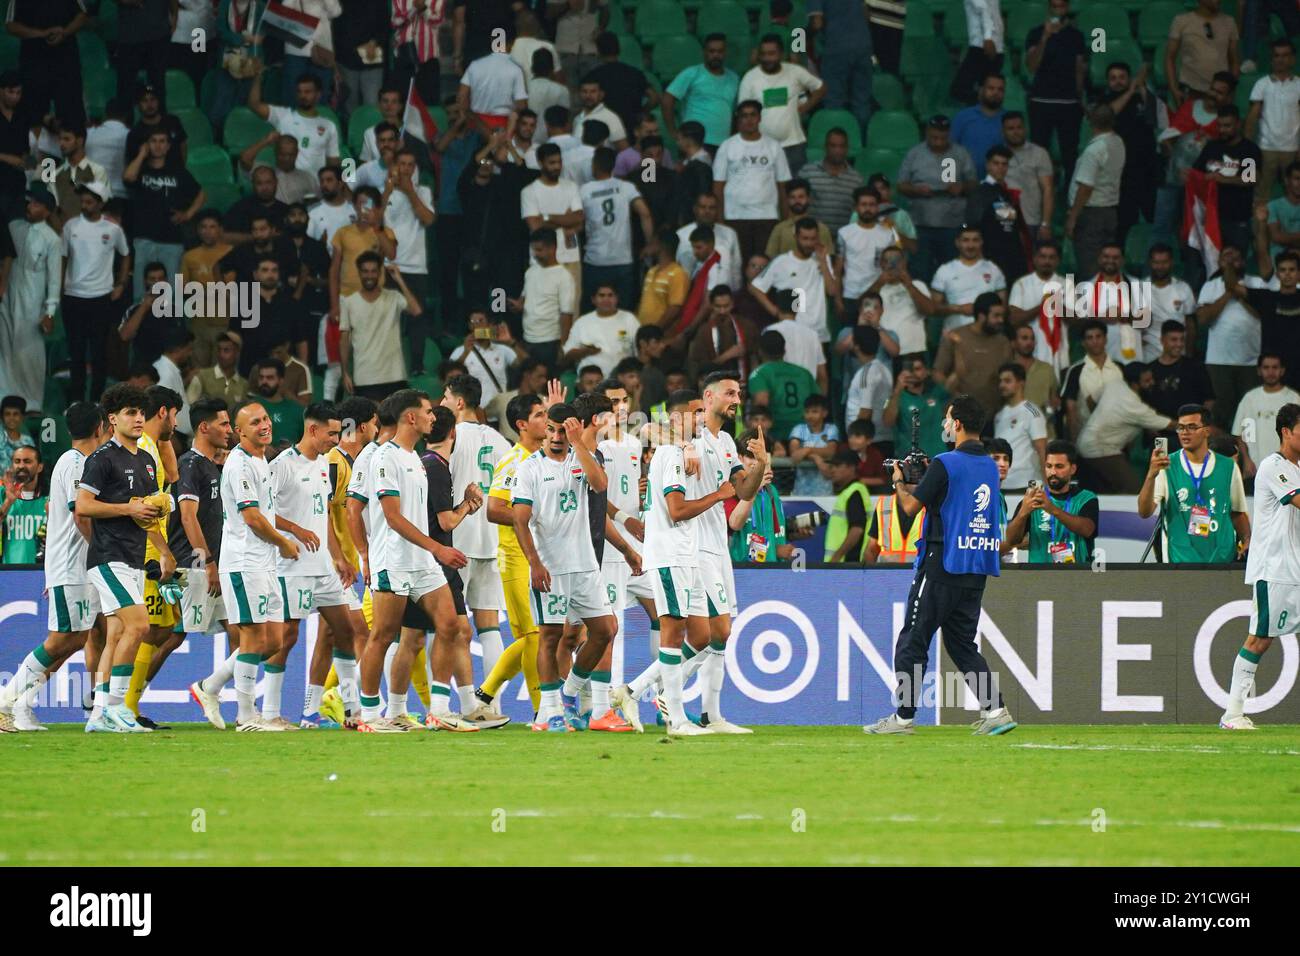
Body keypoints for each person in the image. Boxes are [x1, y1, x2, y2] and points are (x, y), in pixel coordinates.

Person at [865, 393, 1017, 735]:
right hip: (976, 565)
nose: (946, 425)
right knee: (962, 643)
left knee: (912, 640)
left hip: (940, 564)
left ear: (958, 424)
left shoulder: (946, 463)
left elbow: (908, 508)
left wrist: (900, 480)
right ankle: (997, 712)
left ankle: (902, 718)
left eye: (948, 419)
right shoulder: (989, 467)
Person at [608, 391, 728, 736]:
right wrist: (718, 496)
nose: (703, 418)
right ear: (677, 420)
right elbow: (676, 511)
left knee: (701, 633)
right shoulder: (672, 455)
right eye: (696, 413)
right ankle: (677, 719)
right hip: (670, 554)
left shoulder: (677, 451)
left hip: (684, 553)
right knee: (673, 632)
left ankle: (630, 691)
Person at [511, 400, 617, 732]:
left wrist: (579, 444)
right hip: (551, 567)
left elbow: (600, 485)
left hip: (585, 565)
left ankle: (568, 694)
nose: (557, 436)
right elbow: (519, 520)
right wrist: (535, 563)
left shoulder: (580, 458)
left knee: (605, 630)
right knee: (550, 636)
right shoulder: (529, 468)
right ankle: (551, 711)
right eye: (553, 429)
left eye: (563, 430)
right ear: (544, 430)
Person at [0, 403, 105, 731]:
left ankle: (22, 706)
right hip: (70, 565)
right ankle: (6, 700)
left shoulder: (80, 462)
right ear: (100, 427)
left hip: (77, 566)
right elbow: (81, 514)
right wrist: (102, 552)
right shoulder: (75, 463)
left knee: (76, 638)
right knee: (61, 638)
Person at [75, 385, 167, 734]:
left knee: (116, 633)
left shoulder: (144, 459)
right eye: (130, 412)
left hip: (133, 558)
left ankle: (98, 714)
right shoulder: (102, 458)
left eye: (141, 412)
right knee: (140, 626)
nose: (138, 418)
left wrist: (155, 512)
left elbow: (143, 511)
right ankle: (117, 707)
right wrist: (126, 508)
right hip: (108, 556)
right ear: (112, 419)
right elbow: (83, 506)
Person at [1219, 402, 1300, 729]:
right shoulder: (1273, 466)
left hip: (1296, 568)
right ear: (1286, 432)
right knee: (1260, 639)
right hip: (1276, 570)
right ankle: (1233, 713)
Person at [472, 392, 550, 720]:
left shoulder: (547, 459)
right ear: (522, 425)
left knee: (540, 633)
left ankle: (485, 693)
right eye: (540, 415)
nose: (547, 420)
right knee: (533, 634)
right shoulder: (513, 461)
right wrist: (536, 517)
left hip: (543, 556)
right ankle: (541, 710)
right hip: (515, 557)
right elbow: (494, 509)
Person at [1139, 403, 1250, 562]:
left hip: (1223, 561)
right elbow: (1144, 512)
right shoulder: (1166, 466)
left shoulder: (1228, 466)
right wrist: (1150, 476)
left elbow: (1238, 513)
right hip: (1180, 563)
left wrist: (1247, 540)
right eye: (1181, 428)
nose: (1185, 433)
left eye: (1191, 427)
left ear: (1207, 431)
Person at [62, 183, 131, 404]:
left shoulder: (112, 229)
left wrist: (120, 283)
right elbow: (63, 258)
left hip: (100, 298)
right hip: (73, 296)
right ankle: (76, 401)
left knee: (99, 353)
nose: (85, 205)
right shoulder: (70, 226)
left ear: (101, 203)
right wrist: (61, 287)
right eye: (82, 201)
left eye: (90, 202)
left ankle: (97, 401)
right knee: (77, 353)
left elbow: (126, 254)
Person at [1197, 242, 1275, 430]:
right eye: (1227, 258)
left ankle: (1247, 454)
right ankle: (1216, 453)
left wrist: (1238, 290)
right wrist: (1229, 291)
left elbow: (1263, 314)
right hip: (1218, 361)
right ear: (1220, 262)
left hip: (1251, 361)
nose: (1231, 263)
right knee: (1220, 412)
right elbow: (1203, 318)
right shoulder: (1211, 286)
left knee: (1250, 413)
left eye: (1235, 259)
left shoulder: (1256, 283)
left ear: (1243, 261)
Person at [0, 189, 60, 412]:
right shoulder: (14, 227)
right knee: (5, 345)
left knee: (29, 349)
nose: (29, 207)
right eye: (30, 203)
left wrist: (50, 311)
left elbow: (54, 279)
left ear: (46, 211)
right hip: (9, 291)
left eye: (36, 205)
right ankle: (5, 397)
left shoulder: (52, 239)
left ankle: (32, 402)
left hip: (33, 299)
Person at [897, 117, 977, 282]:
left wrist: (961, 188)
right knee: (920, 271)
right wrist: (915, 190)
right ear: (927, 133)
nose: (939, 142)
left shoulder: (960, 153)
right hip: (921, 224)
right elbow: (901, 185)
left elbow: (974, 184)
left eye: (942, 138)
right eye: (934, 138)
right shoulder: (915, 153)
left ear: (948, 135)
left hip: (952, 225)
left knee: (952, 273)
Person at [713, 101, 792, 265]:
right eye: (744, 116)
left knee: (765, 266)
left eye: (753, 115)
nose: (749, 120)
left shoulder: (774, 147)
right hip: (734, 217)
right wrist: (720, 221)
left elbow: (783, 186)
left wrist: (785, 220)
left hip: (767, 217)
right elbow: (718, 187)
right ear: (738, 120)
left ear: (759, 118)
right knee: (738, 266)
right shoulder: (727, 147)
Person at [1077, 363, 1175, 493]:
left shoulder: (1115, 384)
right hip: (1100, 449)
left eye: (1151, 378)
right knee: (1133, 489)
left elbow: (1091, 399)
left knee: (1108, 491)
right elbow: (1170, 425)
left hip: (1088, 443)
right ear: (1135, 384)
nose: (1152, 383)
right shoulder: (1133, 405)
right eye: (1147, 381)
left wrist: (1099, 420)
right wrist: (1195, 426)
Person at [739, 34, 825, 174]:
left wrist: (805, 107)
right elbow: (743, 114)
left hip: (794, 145)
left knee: (795, 191)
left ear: (781, 54)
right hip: (761, 146)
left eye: (772, 53)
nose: (767, 58)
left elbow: (821, 87)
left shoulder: (795, 71)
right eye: (764, 54)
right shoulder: (750, 78)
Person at [338, 253, 419, 401]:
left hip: (395, 375)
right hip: (365, 377)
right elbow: (344, 340)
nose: (369, 275)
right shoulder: (348, 302)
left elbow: (416, 310)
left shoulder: (393, 297)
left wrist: (399, 280)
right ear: (359, 273)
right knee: (369, 424)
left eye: (373, 271)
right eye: (365, 271)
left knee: (398, 423)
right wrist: (345, 373)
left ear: (379, 273)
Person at [1002, 439, 1098, 563]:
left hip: (1078, 576)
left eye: (1059, 466)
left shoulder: (1086, 498)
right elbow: (1011, 541)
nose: (1053, 472)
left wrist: (1052, 509)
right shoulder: (1032, 499)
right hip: (1040, 577)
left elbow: (1087, 530)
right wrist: (1023, 513)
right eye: (1049, 466)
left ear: (1073, 469)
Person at [580, 146, 652, 308]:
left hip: (595, 259)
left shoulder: (585, 190)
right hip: (623, 260)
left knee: (594, 311)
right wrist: (649, 244)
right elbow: (645, 213)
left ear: (594, 165)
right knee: (623, 310)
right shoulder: (626, 187)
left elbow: (578, 221)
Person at [1023, 0, 1087, 183]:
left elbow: (1079, 69)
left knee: (1070, 155)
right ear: (1049, 8)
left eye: (1062, 5)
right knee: (1038, 154)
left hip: (1069, 104)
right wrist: (1045, 37)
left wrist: (1080, 97)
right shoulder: (1035, 33)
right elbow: (1032, 66)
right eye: (1054, 5)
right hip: (1041, 102)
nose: (1058, 9)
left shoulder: (1076, 36)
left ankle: (1069, 197)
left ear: (1067, 8)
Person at [749, 218, 838, 347]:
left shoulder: (823, 259)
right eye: (805, 238)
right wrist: (775, 311)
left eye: (813, 239)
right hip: (792, 332)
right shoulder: (781, 262)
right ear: (795, 237)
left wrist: (823, 262)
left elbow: (832, 291)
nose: (809, 243)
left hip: (819, 333)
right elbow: (756, 288)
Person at [1193, 105, 1264, 257]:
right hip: (1211, 217)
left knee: (1236, 265)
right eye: (1219, 125)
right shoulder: (1212, 147)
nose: (1222, 130)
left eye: (1227, 126)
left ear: (1238, 124)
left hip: (1237, 220)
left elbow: (1251, 179)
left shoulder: (1248, 149)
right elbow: (1197, 173)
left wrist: (1222, 179)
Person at [1065, 104, 1125, 278]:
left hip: (1091, 215)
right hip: (1109, 212)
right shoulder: (1118, 142)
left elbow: (1086, 187)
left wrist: (1073, 218)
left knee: (1089, 267)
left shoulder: (1094, 150)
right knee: (1108, 268)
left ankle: (1091, 304)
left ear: (1090, 121)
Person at [7, 0, 87, 129]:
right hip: (33, 62)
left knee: (71, 114)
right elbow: (11, 25)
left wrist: (64, 33)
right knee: (33, 114)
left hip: (66, 61)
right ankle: (33, 147)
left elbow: (82, 15)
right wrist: (42, 34)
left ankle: (71, 144)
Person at [248, 67, 340, 176]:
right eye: (299, 91)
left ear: (318, 95)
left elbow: (333, 163)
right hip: (286, 185)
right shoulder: (283, 116)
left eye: (307, 92)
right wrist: (258, 77)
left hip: (316, 187)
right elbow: (254, 104)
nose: (303, 96)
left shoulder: (329, 126)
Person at [934, 291, 1013, 415]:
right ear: (981, 316)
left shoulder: (1003, 342)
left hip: (992, 417)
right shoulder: (956, 336)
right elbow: (938, 373)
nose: (1001, 320)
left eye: (1002, 315)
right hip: (959, 417)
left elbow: (1010, 377)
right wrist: (953, 394)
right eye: (996, 316)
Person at [511, 229, 576, 368]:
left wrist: (563, 346)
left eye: (539, 250)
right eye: (533, 250)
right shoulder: (531, 271)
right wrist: (518, 305)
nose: (535, 254)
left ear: (552, 248)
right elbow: (524, 298)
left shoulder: (564, 277)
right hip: (528, 339)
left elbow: (566, 315)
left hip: (549, 342)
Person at [662, 34, 740, 151]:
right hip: (693, 142)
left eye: (720, 51)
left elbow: (736, 112)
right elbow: (667, 100)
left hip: (724, 144)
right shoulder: (692, 73)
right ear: (704, 52)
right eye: (711, 51)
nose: (716, 55)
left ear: (725, 53)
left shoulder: (734, 78)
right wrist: (673, 132)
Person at [807, 0, 874, 136]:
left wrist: (802, 35)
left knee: (833, 101)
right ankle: (861, 142)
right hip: (863, 45)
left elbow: (817, 23)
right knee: (862, 101)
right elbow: (866, 14)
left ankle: (836, 143)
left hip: (836, 46)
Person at [966, 145, 1030, 284]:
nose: (1000, 168)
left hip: (1011, 255)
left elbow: (1009, 226)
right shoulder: (980, 192)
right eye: (996, 163)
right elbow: (973, 226)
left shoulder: (1004, 193)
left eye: (1004, 164)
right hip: (991, 256)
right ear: (988, 165)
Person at [930, 227, 1007, 336]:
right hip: (955, 335)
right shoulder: (944, 270)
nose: (970, 245)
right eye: (965, 240)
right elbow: (933, 308)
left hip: (988, 336)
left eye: (975, 240)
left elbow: (1003, 306)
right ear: (957, 243)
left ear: (981, 242)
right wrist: (959, 309)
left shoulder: (993, 269)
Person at [1250, 40, 1300, 204]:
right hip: (1266, 148)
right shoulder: (1262, 84)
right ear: (1271, 59)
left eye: (1285, 55)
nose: (1280, 59)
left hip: (1292, 149)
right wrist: (1249, 148)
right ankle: (1259, 230)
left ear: (1293, 59)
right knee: (1260, 195)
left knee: (1294, 196)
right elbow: (1252, 118)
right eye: (1277, 55)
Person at [1234, 353, 1300, 477]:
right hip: (1256, 469)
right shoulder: (1250, 398)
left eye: (1275, 367)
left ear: (1282, 370)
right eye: (1266, 367)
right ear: (1259, 370)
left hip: (1288, 469)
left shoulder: (1294, 398)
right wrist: (1247, 460)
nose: (1270, 372)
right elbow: (1240, 434)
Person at [1166, 0, 1240, 108]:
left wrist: (1231, 92)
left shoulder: (1230, 22)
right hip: (1190, 92)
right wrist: (1173, 89)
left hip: (1219, 96)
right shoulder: (1181, 21)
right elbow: (1169, 58)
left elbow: (1234, 61)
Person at [1060, 319, 1123, 439]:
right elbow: (1071, 409)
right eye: (1090, 338)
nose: (1095, 341)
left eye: (1098, 336)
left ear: (1105, 339)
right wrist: (1075, 445)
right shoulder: (1075, 371)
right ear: (1083, 342)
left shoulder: (1119, 368)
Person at [799, 128, 865, 234]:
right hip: (812, 239)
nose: (837, 150)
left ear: (847, 148)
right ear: (825, 147)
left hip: (844, 239)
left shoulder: (856, 179)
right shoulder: (807, 172)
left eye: (842, 146)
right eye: (833, 146)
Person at [993, 363, 1048, 491]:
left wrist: (1047, 487)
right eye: (1000, 381)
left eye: (1007, 381)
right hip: (1003, 484)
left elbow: (1042, 450)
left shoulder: (1033, 412)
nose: (1002, 385)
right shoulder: (999, 415)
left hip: (1026, 483)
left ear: (1021, 383)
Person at [1148, 321, 1216, 420]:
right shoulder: (1150, 369)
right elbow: (1145, 403)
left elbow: (1209, 399)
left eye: (1182, 339)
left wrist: (1200, 422)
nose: (1179, 344)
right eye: (1174, 340)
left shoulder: (1196, 367)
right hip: (1160, 429)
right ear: (1162, 340)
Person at [1003, 112, 1054, 242]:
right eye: (1011, 128)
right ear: (1003, 131)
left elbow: (1048, 189)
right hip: (1005, 220)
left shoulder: (1039, 153)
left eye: (1019, 127)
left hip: (1032, 221)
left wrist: (1045, 223)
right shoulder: (998, 154)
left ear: (1025, 129)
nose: (1016, 132)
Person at [951, 74, 1007, 180]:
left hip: (1000, 185)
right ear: (981, 90)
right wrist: (949, 180)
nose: (996, 92)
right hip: (965, 185)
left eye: (1000, 89)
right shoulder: (963, 117)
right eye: (991, 88)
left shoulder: (1009, 120)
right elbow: (948, 151)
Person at [0, 444, 45, 566]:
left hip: (41, 573)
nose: (21, 466)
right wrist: (8, 502)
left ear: (40, 467)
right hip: (7, 573)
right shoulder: (2, 494)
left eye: (27, 461)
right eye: (17, 461)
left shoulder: (49, 500)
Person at [788, 394, 841, 497]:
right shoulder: (798, 429)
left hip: (824, 491)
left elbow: (830, 451)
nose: (810, 415)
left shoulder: (831, 429)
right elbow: (795, 455)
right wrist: (816, 458)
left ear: (824, 413)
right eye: (807, 412)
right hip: (801, 491)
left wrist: (806, 450)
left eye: (814, 411)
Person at [823, 451, 870, 564]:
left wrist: (835, 558)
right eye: (831, 466)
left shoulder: (854, 492)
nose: (833, 470)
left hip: (848, 564)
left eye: (837, 466)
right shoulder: (851, 491)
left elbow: (856, 530)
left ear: (851, 468)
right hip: (847, 564)